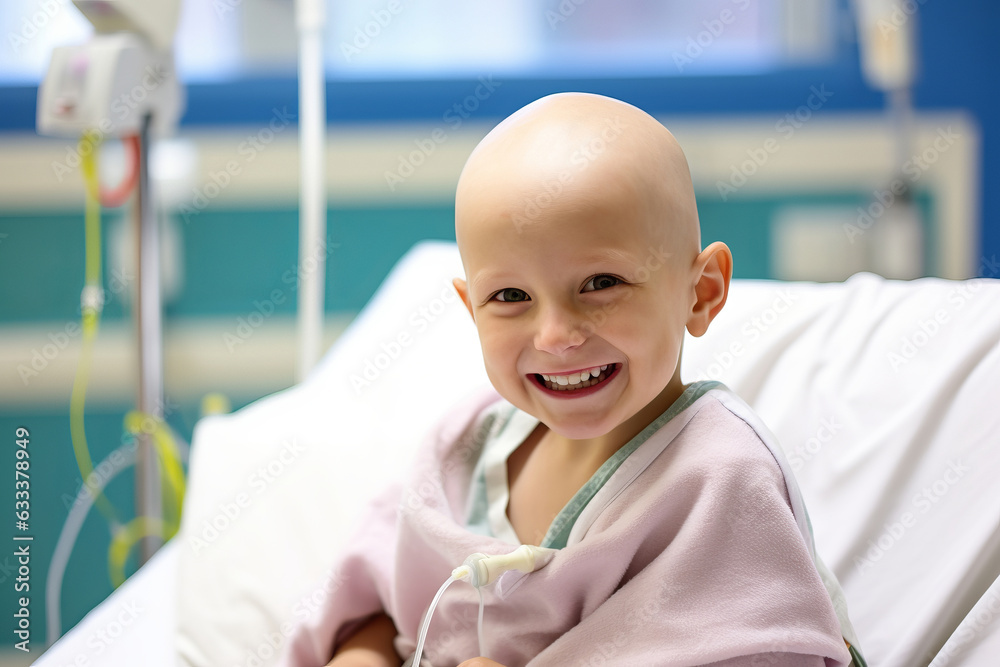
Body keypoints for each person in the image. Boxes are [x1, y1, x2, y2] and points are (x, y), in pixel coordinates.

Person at [280, 92, 863, 667]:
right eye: (510, 297)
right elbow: (382, 601)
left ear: (702, 291)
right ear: (471, 309)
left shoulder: (722, 479)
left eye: (601, 283)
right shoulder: (465, 441)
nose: (555, 335)